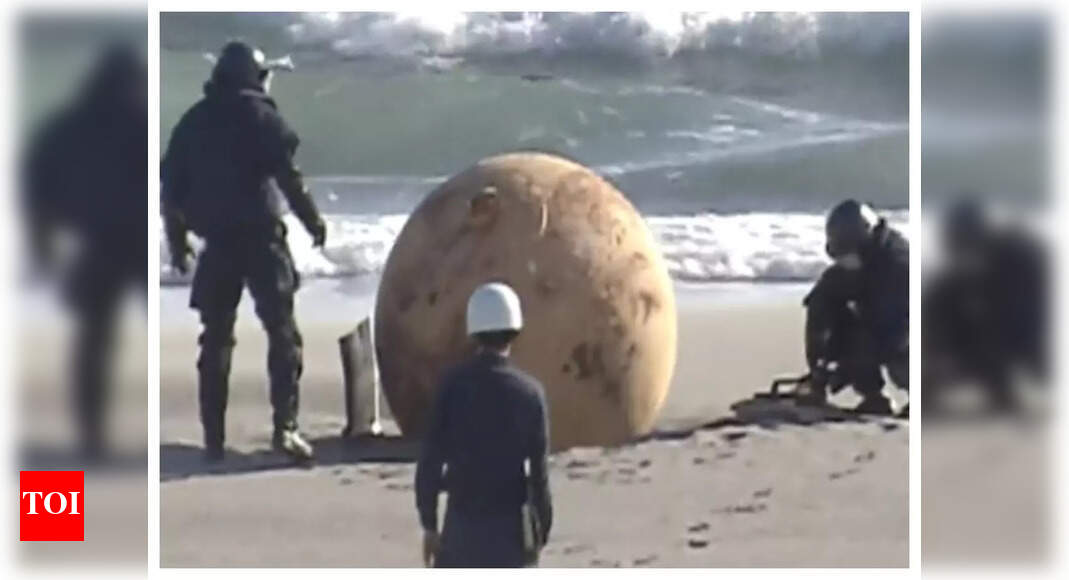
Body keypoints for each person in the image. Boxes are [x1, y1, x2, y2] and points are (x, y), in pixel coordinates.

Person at [161, 41, 326, 463]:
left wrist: (177, 242)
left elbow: (171, 190)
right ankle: (285, 428)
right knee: (282, 333)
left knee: (215, 340)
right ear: (253, 77)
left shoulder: (194, 121)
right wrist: (312, 221)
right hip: (261, 240)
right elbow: (289, 177)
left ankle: (213, 440)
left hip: (217, 244)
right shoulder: (261, 116)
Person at [22, 43, 148, 459]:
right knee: (101, 339)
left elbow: (38, 188)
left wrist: (42, 245)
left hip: (97, 243)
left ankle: (91, 434)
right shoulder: (137, 121)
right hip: (134, 240)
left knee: (93, 342)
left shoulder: (66, 127)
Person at [415, 283, 553, 568]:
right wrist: (541, 530)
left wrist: (429, 523)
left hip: (460, 530)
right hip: (509, 535)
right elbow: (539, 476)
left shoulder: (452, 386)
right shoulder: (531, 393)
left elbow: (430, 462)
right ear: (515, 329)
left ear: (473, 331)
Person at [922, 197, 1047, 414]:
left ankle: (1002, 387)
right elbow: (937, 305)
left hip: (1030, 340)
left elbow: (1031, 311)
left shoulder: (1018, 260)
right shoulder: (962, 270)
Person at [803, 200, 909, 415]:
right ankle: (875, 399)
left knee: (899, 352)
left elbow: (896, 330)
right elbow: (819, 311)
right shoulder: (848, 270)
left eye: (846, 253)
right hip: (882, 326)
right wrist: (819, 366)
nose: (842, 261)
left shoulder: (901, 265)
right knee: (842, 324)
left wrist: (844, 368)